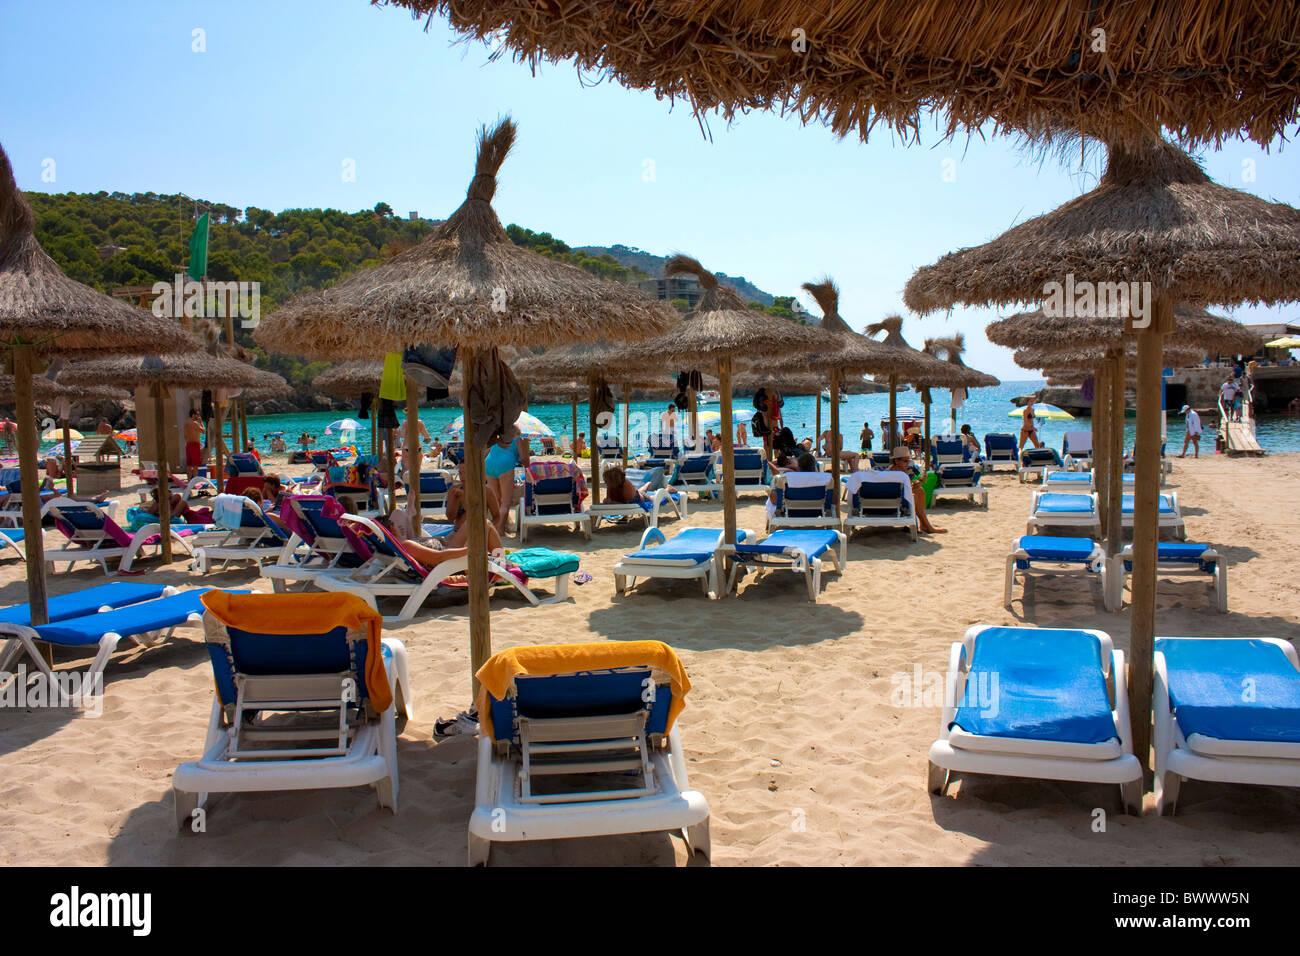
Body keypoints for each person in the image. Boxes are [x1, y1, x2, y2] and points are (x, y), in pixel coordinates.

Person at [889, 446, 946, 535]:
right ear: (896, 461)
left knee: (919, 490)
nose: (908, 463)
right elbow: (904, 490)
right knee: (917, 493)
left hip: (897, 499)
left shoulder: (900, 470)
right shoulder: (896, 473)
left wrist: (919, 481)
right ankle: (927, 526)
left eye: (908, 461)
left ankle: (924, 525)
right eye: (905, 461)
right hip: (895, 503)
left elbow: (908, 487)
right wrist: (919, 482)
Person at [483, 427, 530, 533]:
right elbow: (523, 459)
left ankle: (497, 527)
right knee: (505, 502)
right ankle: (499, 530)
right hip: (505, 465)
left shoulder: (499, 438)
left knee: (497, 500)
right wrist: (528, 466)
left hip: (489, 464)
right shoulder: (518, 439)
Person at [184, 409, 205, 480]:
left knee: (189, 465)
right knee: (195, 465)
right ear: (193, 415)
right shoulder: (195, 423)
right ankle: (194, 480)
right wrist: (201, 423)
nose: (198, 416)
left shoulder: (186, 423)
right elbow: (203, 431)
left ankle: (189, 480)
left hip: (188, 444)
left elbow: (185, 436)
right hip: (195, 444)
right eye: (197, 415)